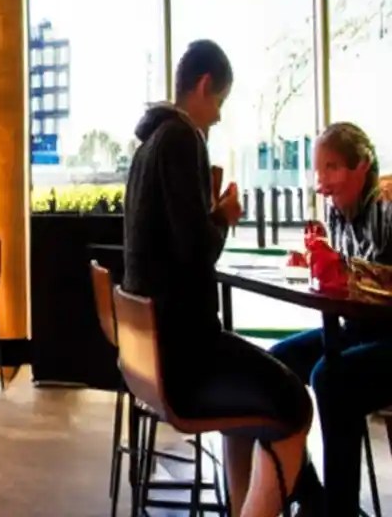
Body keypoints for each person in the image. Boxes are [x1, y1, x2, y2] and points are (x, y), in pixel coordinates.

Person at [123, 40, 320, 517]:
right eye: (220, 103)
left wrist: (207, 213)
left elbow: (175, 244)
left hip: (152, 359)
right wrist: (225, 215)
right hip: (186, 357)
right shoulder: (182, 139)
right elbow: (197, 253)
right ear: (205, 85)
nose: (217, 118)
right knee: (294, 405)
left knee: (255, 404)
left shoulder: (147, 146)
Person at [270, 123, 392, 517]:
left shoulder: (387, 205)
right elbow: (341, 284)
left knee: (331, 378)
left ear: (362, 166)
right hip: (358, 330)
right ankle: (309, 491)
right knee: (275, 365)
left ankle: (339, 512)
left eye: (333, 166)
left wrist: (345, 271)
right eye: (318, 168)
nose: (322, 180)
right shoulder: (337, 211)